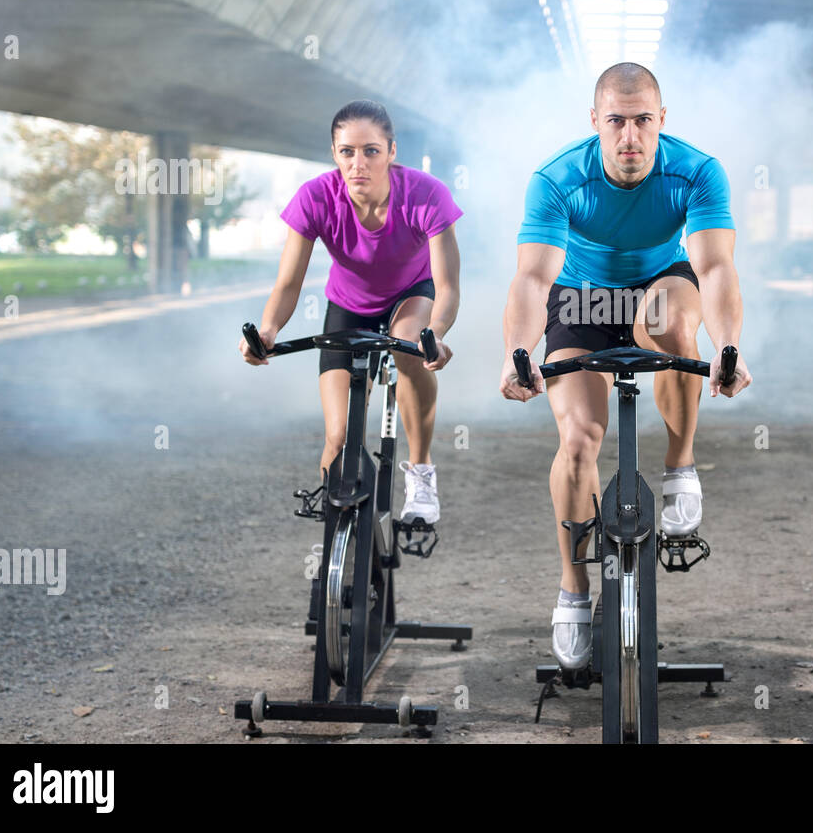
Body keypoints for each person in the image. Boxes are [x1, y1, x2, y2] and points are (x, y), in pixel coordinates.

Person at [500, 62, 752, 669]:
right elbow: (534, 277)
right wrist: (518, 354)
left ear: (662, 120)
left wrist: (727, 346)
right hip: (582, 298)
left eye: (643, 121)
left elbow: (714, 269)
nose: (630, 136)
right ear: (595, 122)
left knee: (670, 324)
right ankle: (573, 590)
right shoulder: (557, 178)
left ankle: (681, 464)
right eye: (616, 121)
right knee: (580, 439)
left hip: (660, 287)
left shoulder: (696, 170)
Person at [239, 100, 462, 525]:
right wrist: (267, 330)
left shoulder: (427, 194)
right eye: (347, 152)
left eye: (371, 150)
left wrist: (434, 333)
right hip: (348, 305)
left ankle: (420, 472)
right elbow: (288, 284)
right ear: (334, 154)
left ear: (392, 152)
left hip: (411, 295)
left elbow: (448, 286)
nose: (358, 163)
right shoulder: (316, 197)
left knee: (408, 349)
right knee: (339, 437)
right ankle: (337, 540)